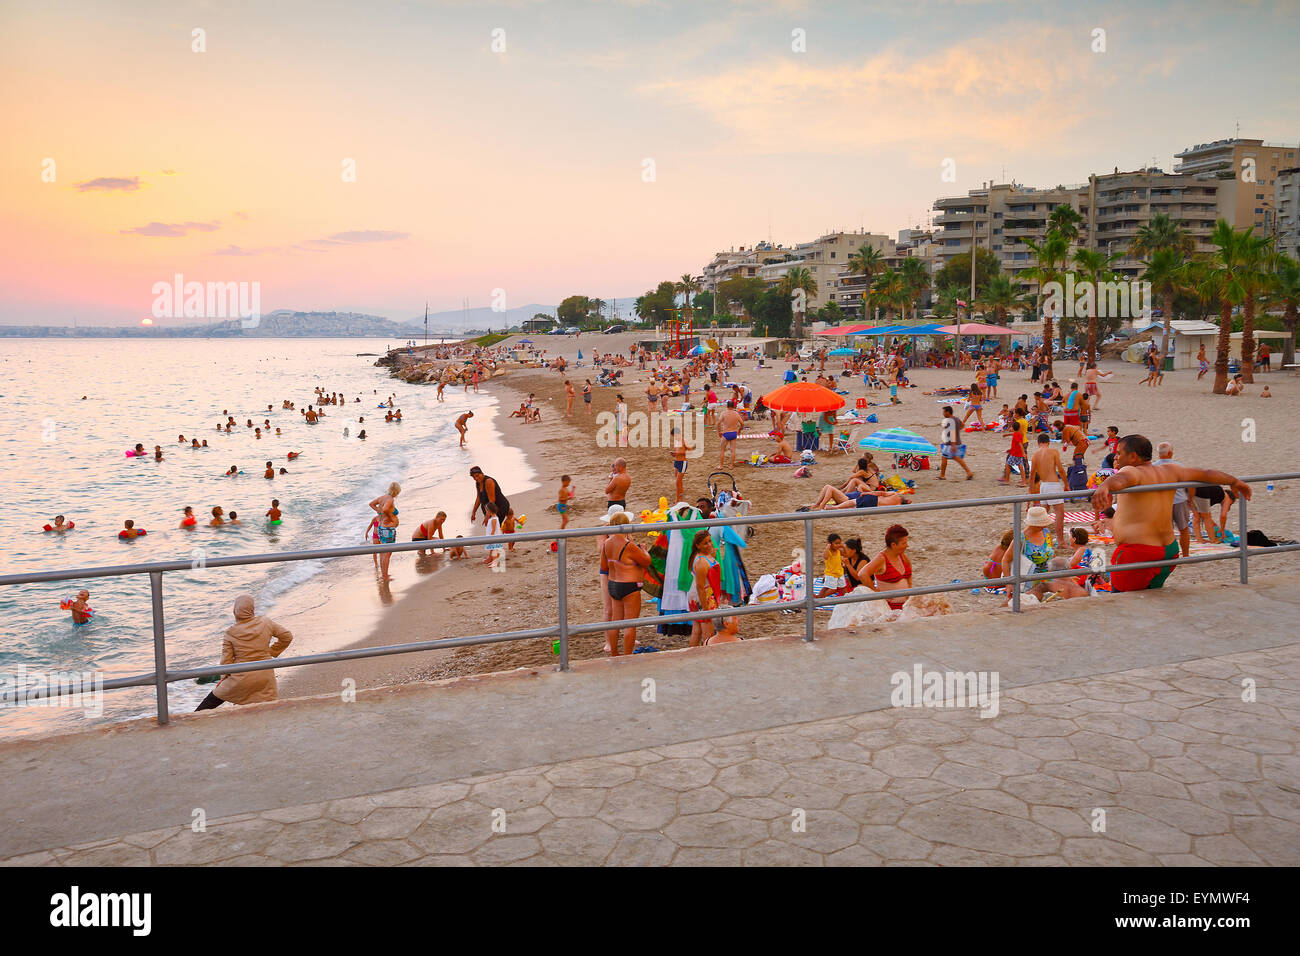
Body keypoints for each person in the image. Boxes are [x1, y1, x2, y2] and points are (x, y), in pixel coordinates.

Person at [1090, 434, 1250, 592]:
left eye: (1119, 453)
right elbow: (1206, 473)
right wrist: (1234, 481)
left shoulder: (1133, 471)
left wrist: (1105, 486)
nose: (1115, 457)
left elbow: (1122, 478)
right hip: (1169, 552)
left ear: (1132, 457)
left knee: (1124, 604)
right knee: (1152, 597)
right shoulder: (1170, 470)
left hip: (1139, 552)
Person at [194, 595, 293, 712]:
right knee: (267, 710)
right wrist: (270, 652)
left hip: (240, 679)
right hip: (265, 676)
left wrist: (223, 679)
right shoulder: (266, 622)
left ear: (235, 611)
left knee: (208, 703)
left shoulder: (230, 632)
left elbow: (226, 662)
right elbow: (287, 637)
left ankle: (190, 723)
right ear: (252, 609)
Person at [600, 511, 651, 655]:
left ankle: (614, 653)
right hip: (629, 586)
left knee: (616, 622)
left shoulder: (606, 544)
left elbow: (604, 567)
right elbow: (646, 561)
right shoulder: (628, 545)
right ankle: (627, 656)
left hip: (613, 585)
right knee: (630, 624)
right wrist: (644, 550)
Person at [861, 524, 913, 610]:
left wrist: (909, 587)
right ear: (893, 545)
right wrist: (877, 592)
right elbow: (862, 574)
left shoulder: (901, 555)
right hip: (890, 608)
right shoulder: (881, 559)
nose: (907, 545)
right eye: (904, 543)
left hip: (906, 605)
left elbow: (909, 567)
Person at [1029, 431, 1068, 544]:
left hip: (1043, 486)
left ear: (1038, 443)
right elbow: (1060, 470)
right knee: (1059, 515)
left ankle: (1039, 540)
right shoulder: (1053, 451)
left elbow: (1031, 477)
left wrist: (1031, 493)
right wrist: (1067, 484)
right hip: (1054, 485)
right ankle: (1060, 541)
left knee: (1042, 516)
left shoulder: (1035, 455)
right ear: (1048, 442)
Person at [1154, 441, 1192, 557]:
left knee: (1165, 531)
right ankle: (1185, 554)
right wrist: (1190, 499)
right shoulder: (1179, 466)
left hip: (1162, 502)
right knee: (1184, 529)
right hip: (1180, 500)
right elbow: (1188, 484)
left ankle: (1167, 555)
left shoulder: (1154, 467)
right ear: (1170, 452)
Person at [687, 529, 721, 647]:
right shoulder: (701, 562)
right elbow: (700, 587)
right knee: (708, 634)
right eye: (705, 543)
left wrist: (712, 555)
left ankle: (692, 655)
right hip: (704, 597)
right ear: (698, 546)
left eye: (710, 541)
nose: (710, 544)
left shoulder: (702, 557)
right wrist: (706, 609)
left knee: (696, 630)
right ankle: (706, 657)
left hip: (697, 596)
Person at [368, 481, 401, 581]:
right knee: (387, 554)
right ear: (396, 491)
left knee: (383, 553)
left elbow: (371, 504)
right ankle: (385, 576)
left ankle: (384, 574)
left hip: (381, 528)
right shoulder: (390, 499)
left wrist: (379, 511)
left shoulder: (382, 497)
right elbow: (386, 508)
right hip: (387, 529)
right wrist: (391, 517)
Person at [937, 405, 973, 480]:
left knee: (945, 458)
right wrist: (958, 430)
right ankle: (969, 472)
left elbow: (952, 433)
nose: (943, 414)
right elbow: (962, 425)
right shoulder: (956, 419)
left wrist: (953, 445)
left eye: (944, 412)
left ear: (948, 412)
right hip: (957, 442)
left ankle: (942, 475)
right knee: (957, 458)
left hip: (950, 444)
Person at [818, 533, 847, 598]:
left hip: (839, 572)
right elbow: (825, 557)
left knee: (843, 587)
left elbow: (845, 554)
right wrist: (827, 548)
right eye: (836, 543)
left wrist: (843, 547)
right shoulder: (828, 552)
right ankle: (820, 597)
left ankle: (847, 599)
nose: (838, 545)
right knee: (831, 589)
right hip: (831, 573)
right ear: (830, 543)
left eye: (839, 543)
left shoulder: (838, 551)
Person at [717, 401, 743, 468]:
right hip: (734, 433)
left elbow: (718, 423)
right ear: (734, 406)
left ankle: (721, 465)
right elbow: (742, 423)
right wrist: (739, 430)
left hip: (726, 433)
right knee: (733, 450)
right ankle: (731, 465)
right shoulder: (736, 414)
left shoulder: (724, 413)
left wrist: (719, 432)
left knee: (722, 450)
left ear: (727, 406)